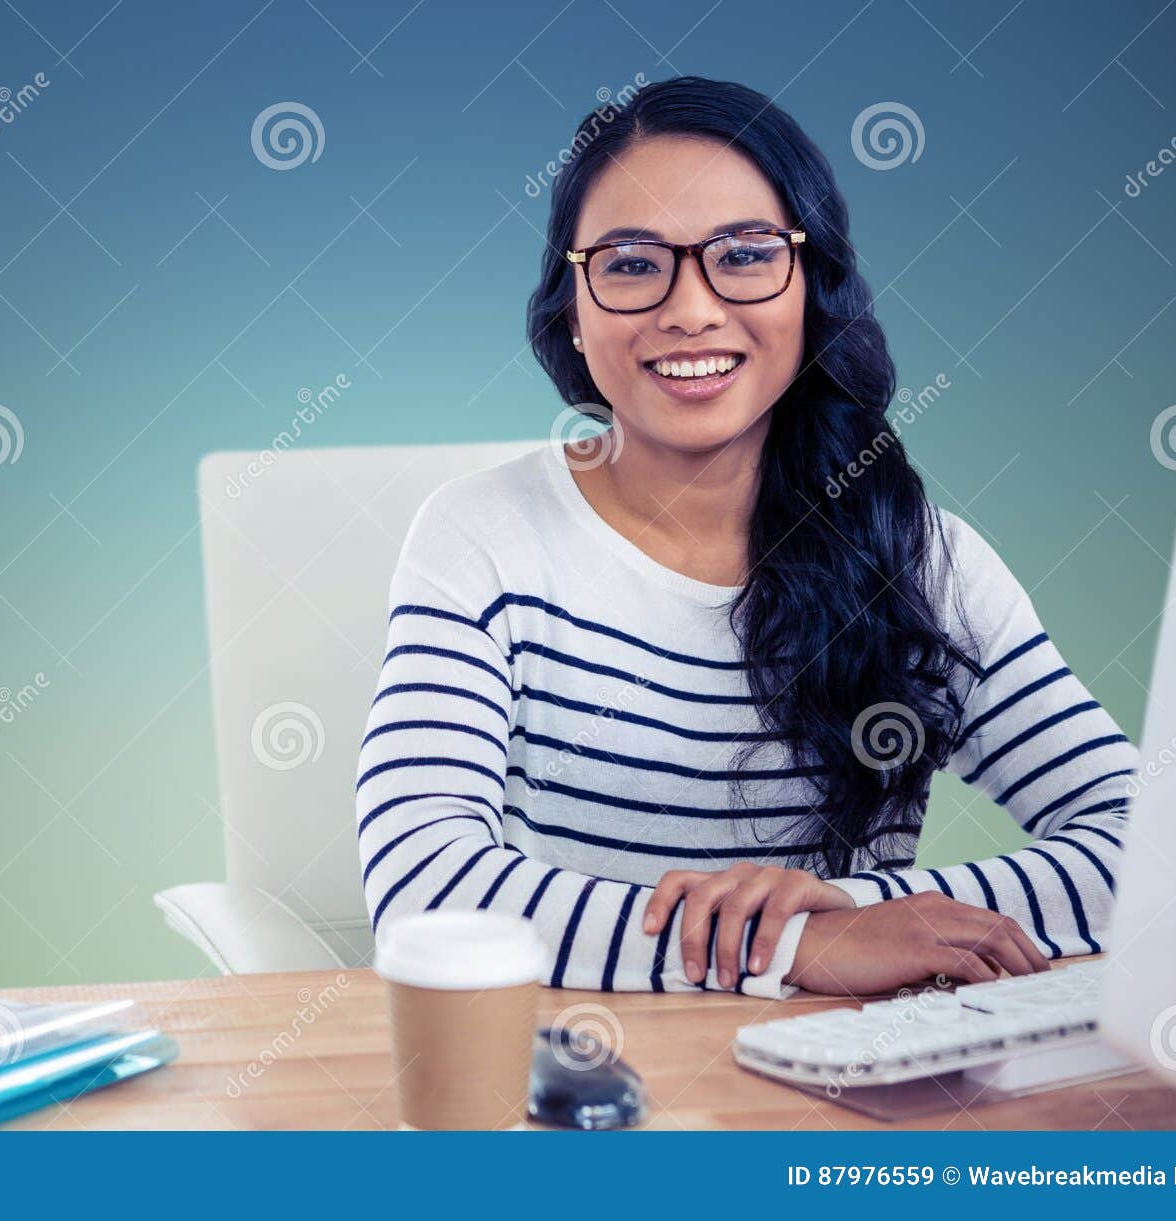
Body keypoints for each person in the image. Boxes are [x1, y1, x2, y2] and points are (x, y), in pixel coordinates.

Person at [354, 76, 1135, 999]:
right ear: (572, 308)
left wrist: (868, 908)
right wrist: (790, 948)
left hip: (849, 1069)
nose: (690, 310)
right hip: (573, 1067)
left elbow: (1160, 847)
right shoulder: (481, 537)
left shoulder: (920, 556)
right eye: (632, 263)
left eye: (745, 254)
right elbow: (423, 888)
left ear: (813, 288)